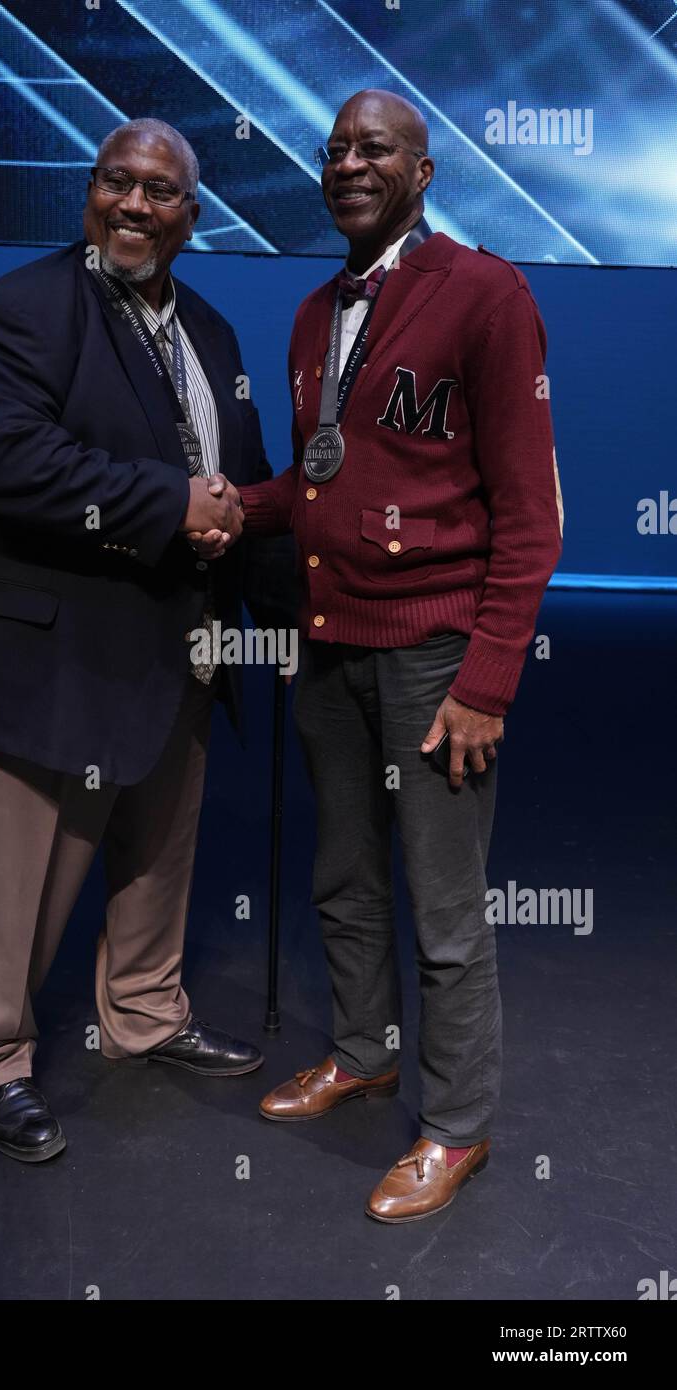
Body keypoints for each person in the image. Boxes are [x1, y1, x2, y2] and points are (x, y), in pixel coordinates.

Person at [0, 118, 291, 1163]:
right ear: (88, 193)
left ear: (190, 216)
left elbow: (243, 483)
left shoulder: (210, 331)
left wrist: (292, 581)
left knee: (159, 850)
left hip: (174, 646)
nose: (133, 203)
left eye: (158, 191)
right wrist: (174, 504)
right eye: (115, 181)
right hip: (35, 659)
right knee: (5, 881)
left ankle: (144, 1011)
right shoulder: (18, 309)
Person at [234, 90, 564, 1221]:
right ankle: (364, 1051)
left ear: (423, 173)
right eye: (334, 150)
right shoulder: (313, 313)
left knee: (444, 905)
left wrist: (487, 682)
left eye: (374, 149)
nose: (348, 164)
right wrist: (231, 508)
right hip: (330, 643)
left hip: (433, 654)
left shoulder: (485, 293)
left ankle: (457, 1128)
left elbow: (529, 516)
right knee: (344, 877)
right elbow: (320, 477)